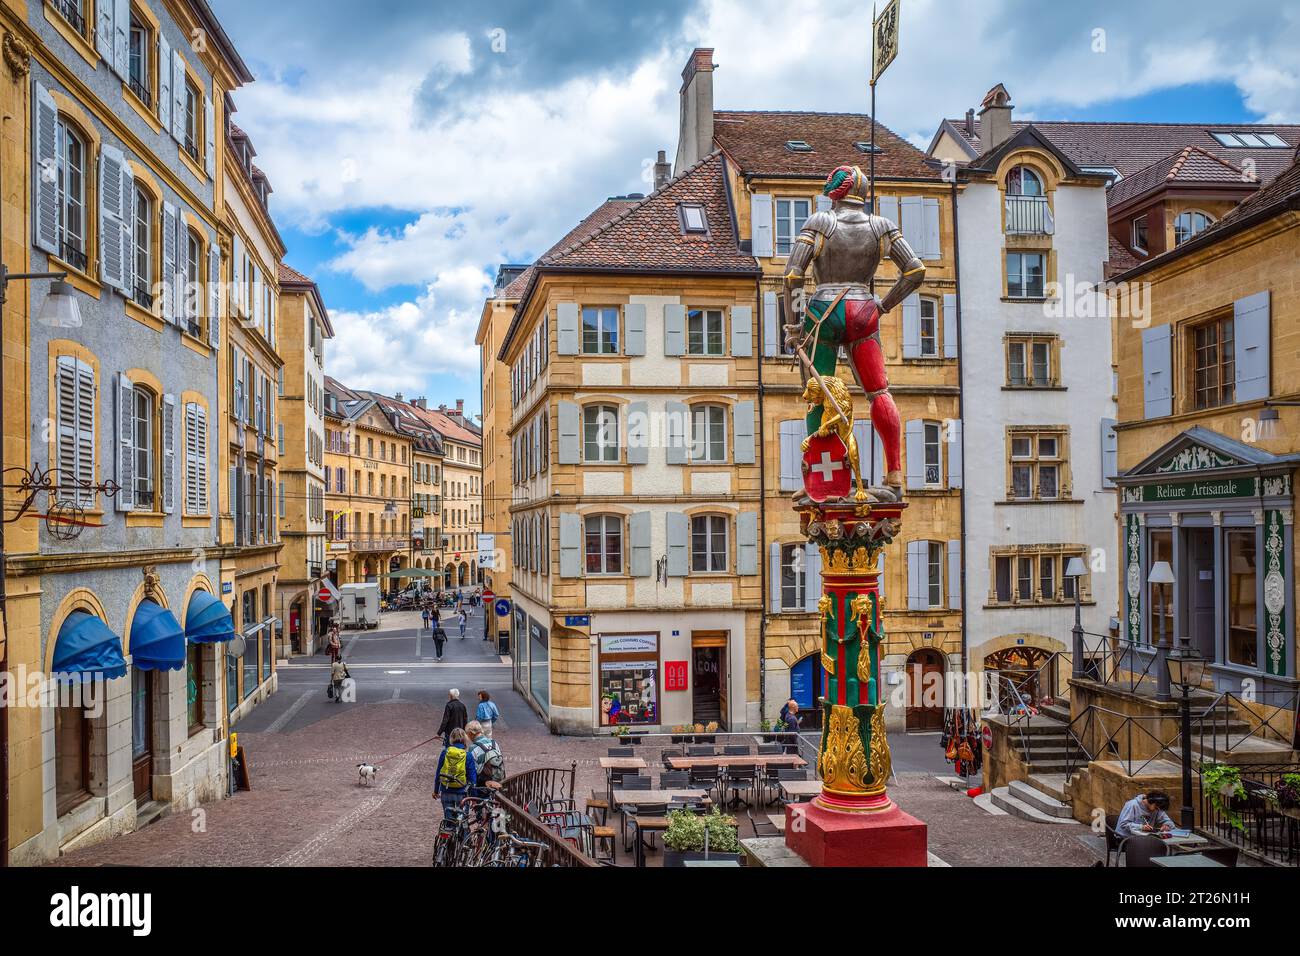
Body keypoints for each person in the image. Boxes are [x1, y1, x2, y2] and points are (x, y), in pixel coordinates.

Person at [433, 727, 477, 820]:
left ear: (451, 739)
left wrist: (436, 791)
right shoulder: (467, 755)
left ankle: (447, 833)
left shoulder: (445, 752)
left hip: (446, 791)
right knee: (462, 823)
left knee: (449, 822)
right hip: (462, 793)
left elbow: (438, 774)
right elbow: (472, 779)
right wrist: (473, 798)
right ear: (465, 739)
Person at [465, 720, 505, 795]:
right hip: (498, 780)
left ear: (471, 734)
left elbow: (472, 770)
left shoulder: (473, 748)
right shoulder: (494, 743)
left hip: (483, 785)